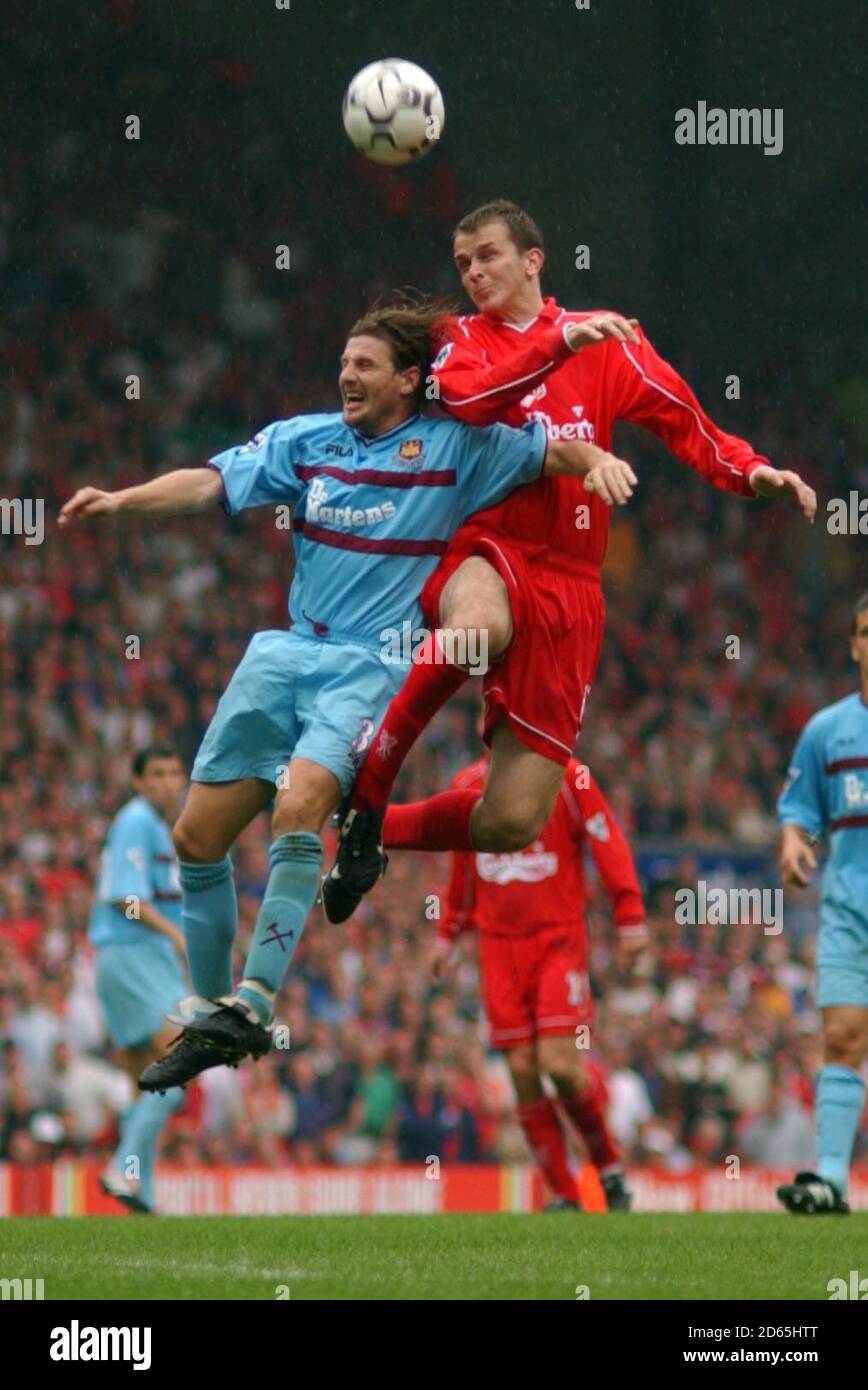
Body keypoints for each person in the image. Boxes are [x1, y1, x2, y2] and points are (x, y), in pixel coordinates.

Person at [59, 297, 634, 1089]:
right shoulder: (305, 441)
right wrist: (123, 500)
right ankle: (210, 1010)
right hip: (286, 653)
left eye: (364, 364)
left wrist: (595, 461)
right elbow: (212, 483)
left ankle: (255, 1002)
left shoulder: (455, 446)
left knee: (299, 808)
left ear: (408, 379)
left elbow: (551, 450)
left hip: (372, 664)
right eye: (342, 363)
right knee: (196, 840)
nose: (346, 375)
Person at [322, 199, 817, 924]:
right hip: (487, 547)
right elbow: (473, 400)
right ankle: (369, 785)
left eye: (487, 255)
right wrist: (561, 346)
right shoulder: (460, 341)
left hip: (573, 589)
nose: (474, 273)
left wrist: (752, 472)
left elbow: (687, 423)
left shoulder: (607, 342)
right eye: (462, 263)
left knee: (512, 820)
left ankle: (369, 834)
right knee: (477, 627)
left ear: (533, 260)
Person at [432, 745, 647, 1210]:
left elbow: (605, 837)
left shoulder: (572, 777)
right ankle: (565, 1194)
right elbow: (462, 870)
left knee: (560, 1064)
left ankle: (608, 1167)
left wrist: (629, 913)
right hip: (498, 947)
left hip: (557, 940)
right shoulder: (466, 786)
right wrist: (447, 932)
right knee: (523, 1073)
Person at [775, 590, 868, 1215]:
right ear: (856, 644)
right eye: (866, 631)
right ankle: (830, 1179)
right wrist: (792, 844)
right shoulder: (827, 731)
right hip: (848, 911)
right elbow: (799, 810)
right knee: (841, 1036)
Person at [87, 746, 188, 1212]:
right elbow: (124, 900)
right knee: (181, 1061)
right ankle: (120, 1166)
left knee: (145, 1084)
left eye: (174, 772)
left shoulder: (157, 828)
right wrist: (176, 936)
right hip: (136, 955)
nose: (169, 781)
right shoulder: (138, 821)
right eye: (158, 773)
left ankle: (140, 1193)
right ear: (139, 781)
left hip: (121, 958)